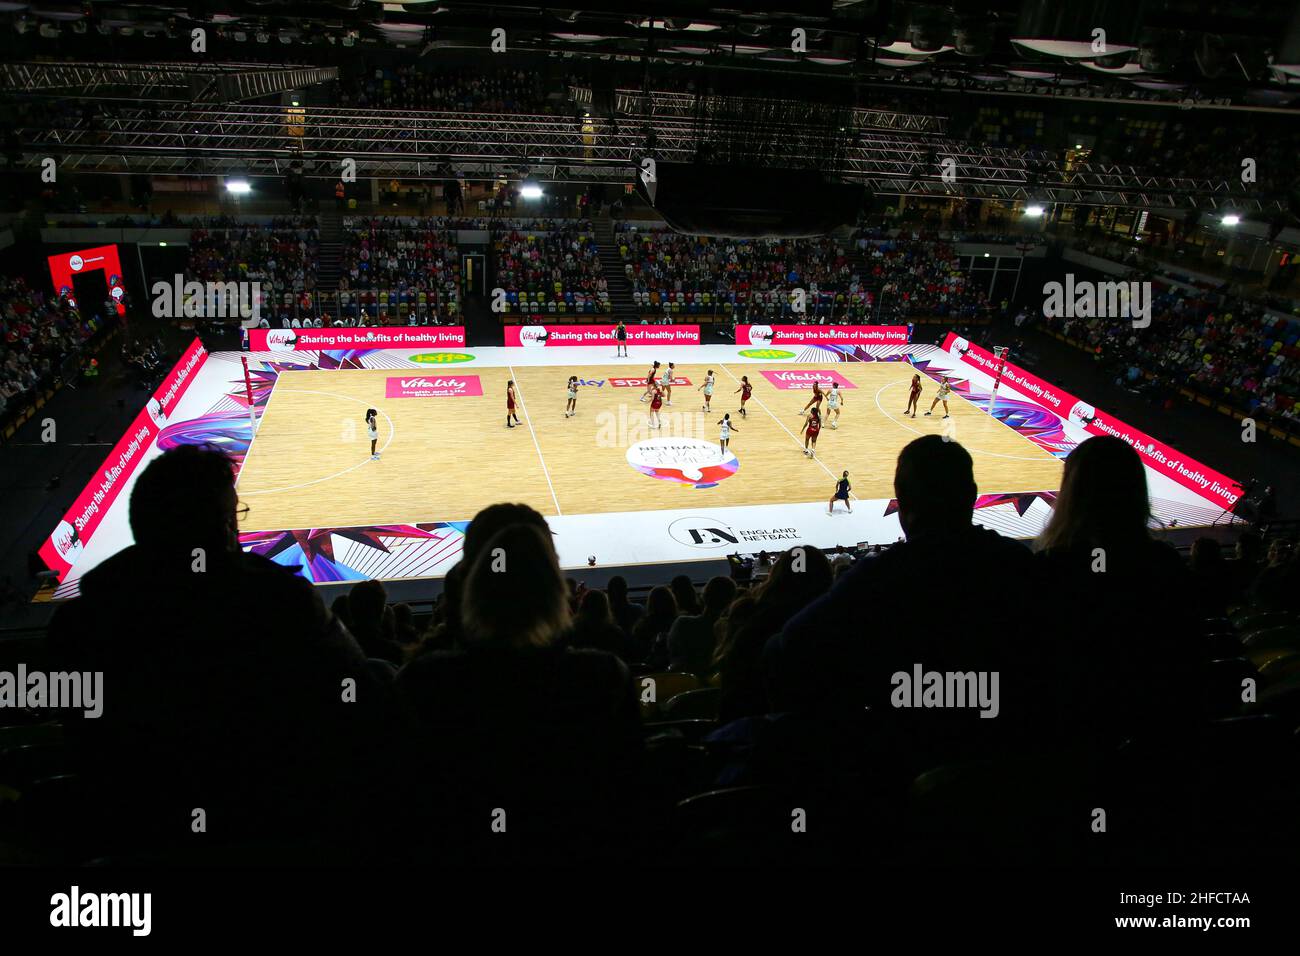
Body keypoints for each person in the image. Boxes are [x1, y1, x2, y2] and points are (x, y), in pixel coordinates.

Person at [47, 445, 384, 852]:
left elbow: (82, 745)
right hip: (277, 830)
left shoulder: (76, 626)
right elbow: (359, 699)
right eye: (233, 516)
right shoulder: (281, 604)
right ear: (224, 526)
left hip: (139, 838)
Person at [767, 436, 1041, 770]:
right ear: (972, 496)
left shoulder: (878, 574)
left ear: (902, 503)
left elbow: (789, 644)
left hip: (899, 763)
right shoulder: (1020, 564)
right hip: (1009, 761)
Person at [1034, 436, 1203, 747]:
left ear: (1072, 494)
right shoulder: (1167, 564)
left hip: (1068, 737)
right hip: (1158, 740)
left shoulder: (1049, 569)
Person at [667, 576, 738, 676]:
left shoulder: (682, 624)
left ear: (704, 594)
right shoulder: (729, 629)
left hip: (684, 682)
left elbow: (672, 653)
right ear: (730, 602)